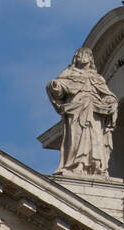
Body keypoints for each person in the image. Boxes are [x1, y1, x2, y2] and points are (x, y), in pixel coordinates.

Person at [47, 48, 118, 177]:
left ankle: (96, 165)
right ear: (76, 58)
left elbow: (107, 95)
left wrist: (111, 101)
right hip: (77, 110)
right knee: (78, 137)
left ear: (90, 59)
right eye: (79, 55)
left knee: (95, 137)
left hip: (95, 111)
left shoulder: (97, 78)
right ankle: (77, 164)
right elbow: (60, 89)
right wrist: (55, 86)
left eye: (85, 55)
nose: (82, 57)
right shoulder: (68, 73)